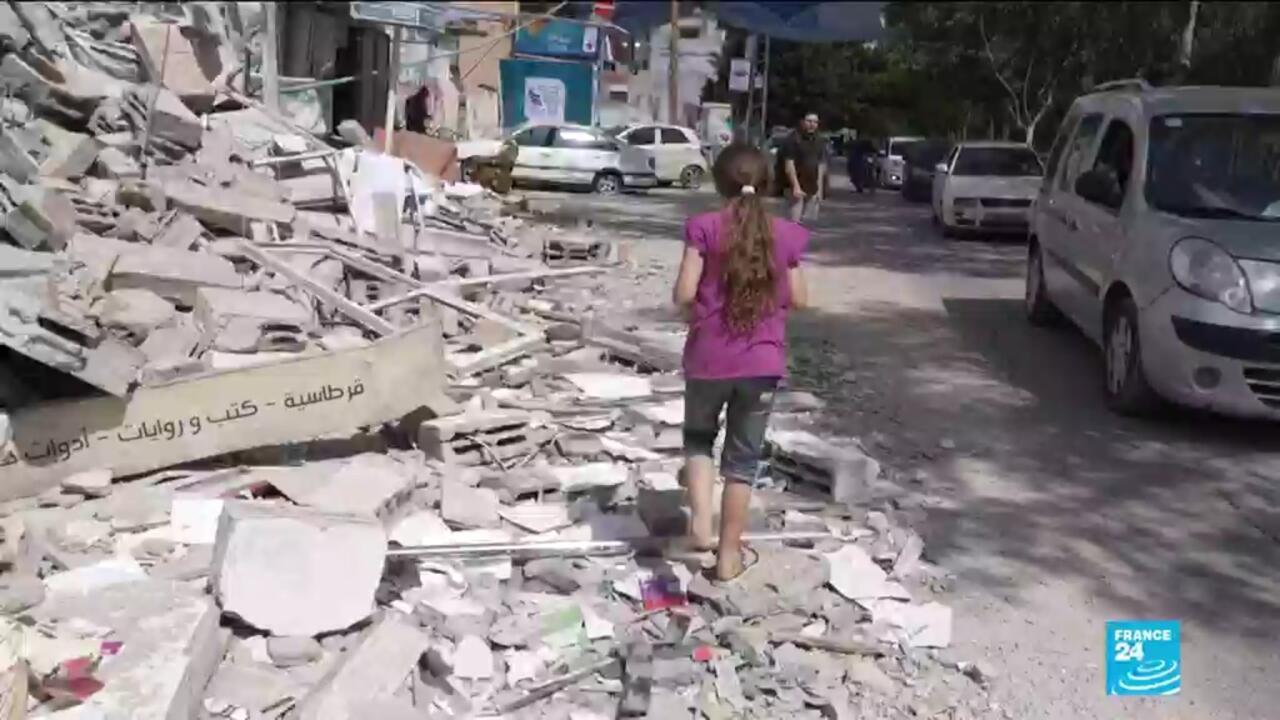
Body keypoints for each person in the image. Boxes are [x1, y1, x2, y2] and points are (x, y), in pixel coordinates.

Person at [672, 144, 811, 581]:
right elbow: (802, 299)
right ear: (767, 183)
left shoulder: (703, 228)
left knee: (698, 439)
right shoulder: (787, 234)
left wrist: (699, 318)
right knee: (743, 461)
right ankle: (728, 556)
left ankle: (699, 524)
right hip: (762, 363)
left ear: (719, 182)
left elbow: (683, 294)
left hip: (708, 358)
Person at [781, 112, 827, 224]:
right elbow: (789, 164)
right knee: (794, 222)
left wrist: (819, 189)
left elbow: (821, 165)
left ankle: (804, 241)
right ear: (802, 122)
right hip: (795, 187)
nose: (812, 124)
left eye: (815, 122)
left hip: (812, 187)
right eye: (809, 121)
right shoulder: (793, 139)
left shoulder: (819, 140)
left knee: (808, 223)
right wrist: (796, 186)